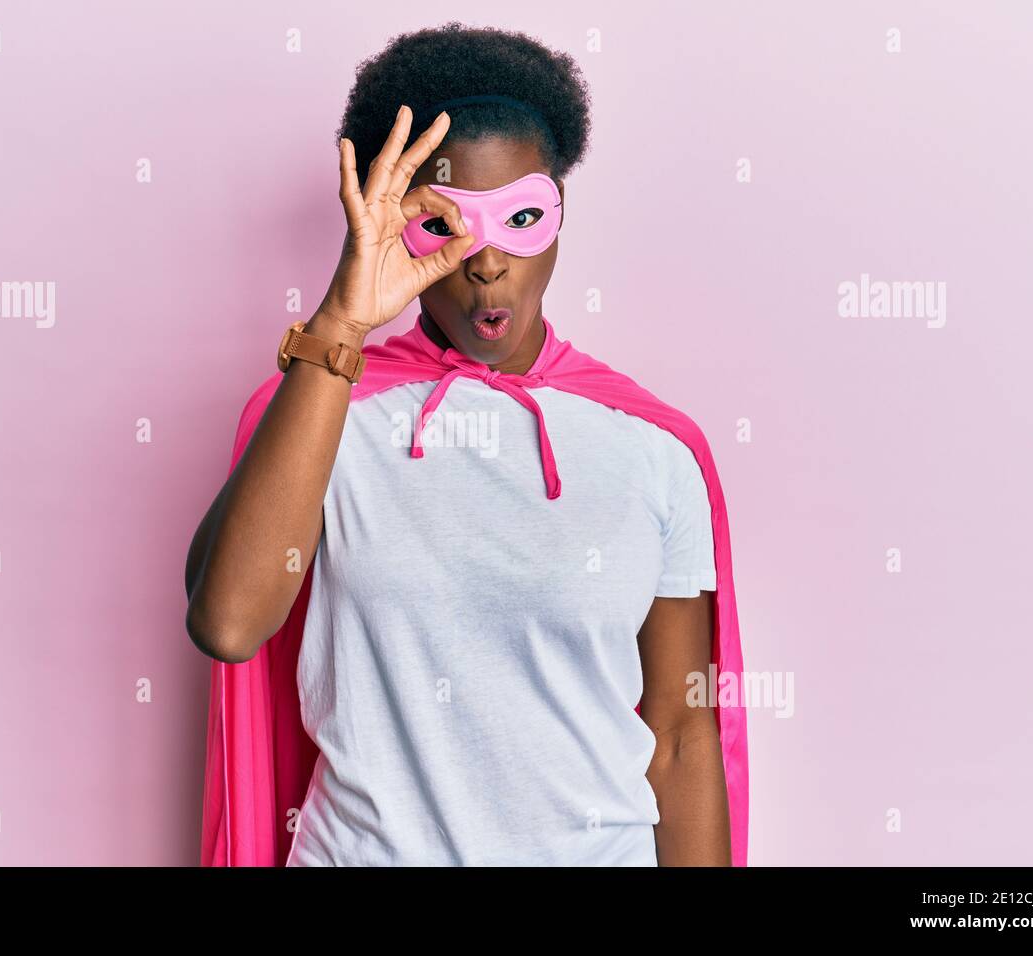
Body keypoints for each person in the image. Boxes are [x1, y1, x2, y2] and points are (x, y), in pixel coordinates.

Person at [185, 22, 746, 866]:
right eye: (443, 227)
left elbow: (678, 734)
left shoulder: (654, 447)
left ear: (559, 218)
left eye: (520, 217)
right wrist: (341, 322)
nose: (486, 264)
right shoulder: (321, 407)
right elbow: (228, 622)